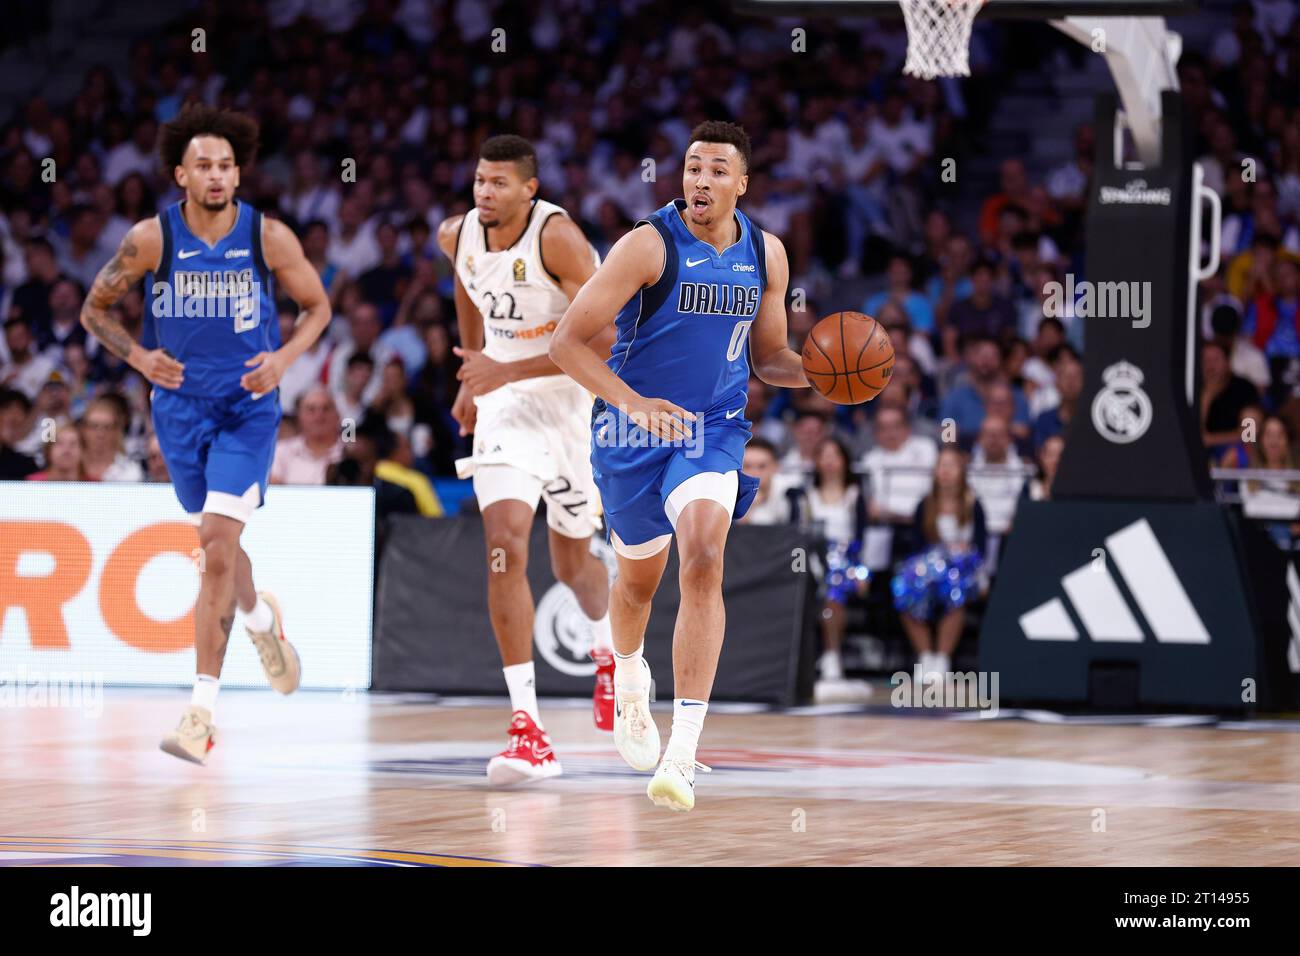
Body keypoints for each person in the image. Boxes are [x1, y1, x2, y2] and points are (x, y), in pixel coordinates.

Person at [550, 120, 810, 811]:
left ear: (742, 183)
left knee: (701, 560)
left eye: (717, 170)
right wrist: (633, 405)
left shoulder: (766, 253)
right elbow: (567, 343)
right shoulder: (646, 244)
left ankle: (684, 750)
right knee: (636, 586)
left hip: (713, 429)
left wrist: (820, 372)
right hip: (631, 432)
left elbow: (770, 358)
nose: (700, 180)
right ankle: (629, 676)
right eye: (693, 167)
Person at [78, 104, 331, 764]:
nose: (216, 176)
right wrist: (139, 357)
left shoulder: (266, 237)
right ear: (179, 175)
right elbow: (93, 307)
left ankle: (200, 713)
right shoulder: (151, 239)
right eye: (203, 166)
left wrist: (283, 360)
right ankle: (259, 621)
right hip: (179, 412)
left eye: (226, 165)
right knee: (218, 544)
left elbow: (318, 306)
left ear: (238, 174)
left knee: (216, 545)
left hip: (248, 409)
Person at [436, 134, 616, 784]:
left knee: (573, 564)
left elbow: (605, 335)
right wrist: (470, 370)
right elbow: (466, 286)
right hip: (504, 414)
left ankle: (609, 653)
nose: (485, 192)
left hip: (566, 404)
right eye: (479, 180)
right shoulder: (454, 235)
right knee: (505, 546)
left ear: (529, 190)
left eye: (499, 183)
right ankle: (528, 728)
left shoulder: (559, 239)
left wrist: (505, 367)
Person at [892, 446, 987, 684]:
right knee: (903, 587)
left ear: (962, 471)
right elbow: (916, 547)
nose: (945, 471)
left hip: (963, 570)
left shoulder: (973, 504)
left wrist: (964, 554)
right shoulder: (925, 505)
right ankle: (925, 655)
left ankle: (943, 658)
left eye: (951, 465)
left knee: (955, 588)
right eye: (941, 465)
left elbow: (981, 547)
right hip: (930, 570)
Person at [806, 437, 869, 682]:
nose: (830, 462)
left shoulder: (854, 495)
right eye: (824, 455)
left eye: (835, 456)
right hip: (814, 557)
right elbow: (802, 533)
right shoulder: (808, 495)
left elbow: (862, 536)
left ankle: (832, 654)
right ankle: (811, 655)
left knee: (833, 590)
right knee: (819, 581)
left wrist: (861, 570)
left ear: (844, 461)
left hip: (846, 559)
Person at [26, 417, 83, 481]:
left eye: (73, 444)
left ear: (82, 451)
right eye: (60, 443)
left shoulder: (93, 485)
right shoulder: (32, 484)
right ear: (48, 450)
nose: (66, 449)